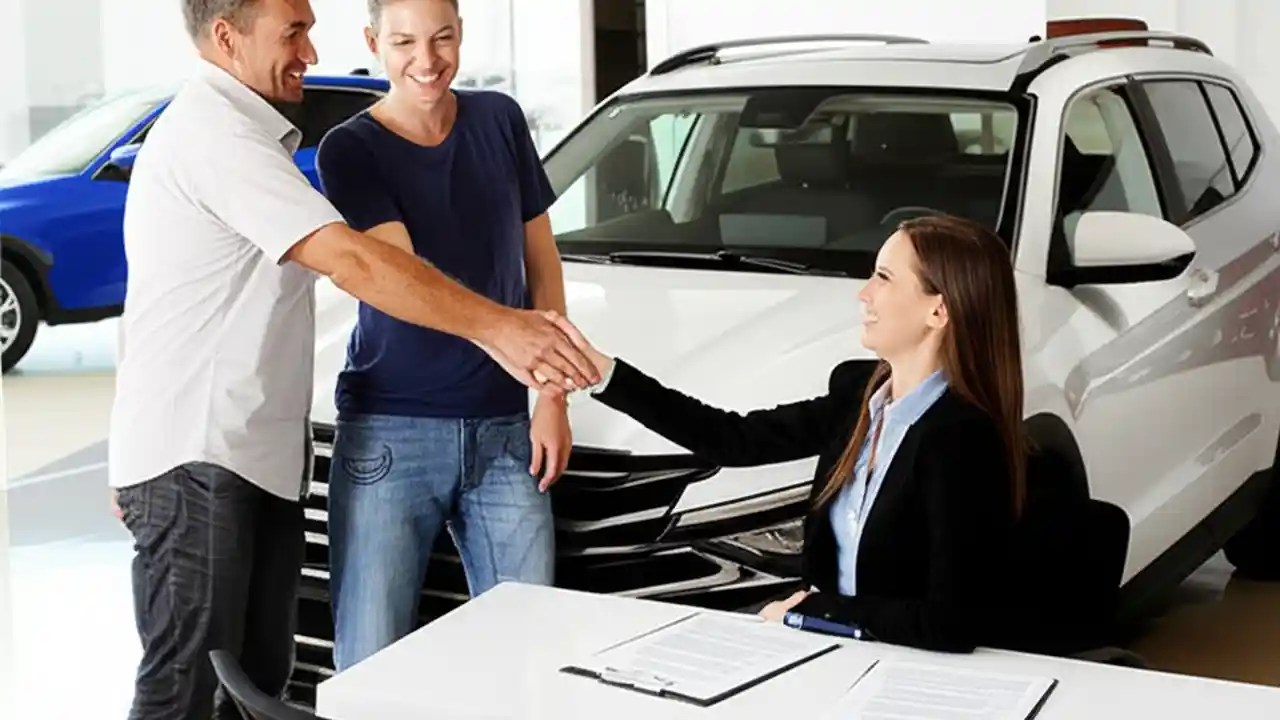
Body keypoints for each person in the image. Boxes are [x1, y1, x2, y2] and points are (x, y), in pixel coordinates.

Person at [107, 1, 598, 718]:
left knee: (257, 683)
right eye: (294, 32)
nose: (311, 48)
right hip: (200, 453)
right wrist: (504, 329)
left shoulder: (248, 132)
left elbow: (159, 305)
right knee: (189, 691)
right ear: (225, 36)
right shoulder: (216, 136)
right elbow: (355, 262)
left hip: (246, 455)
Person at [552, 214, 1029, 653]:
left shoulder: (962, 439)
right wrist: (603, 374)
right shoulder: (858, 395)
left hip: (901, 669)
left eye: (883, 278)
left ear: (938, 312)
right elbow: (731, 438)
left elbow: (951, 624)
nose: (864, 294)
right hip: (826, 649)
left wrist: (812, 611)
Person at [311, 0, 572, 671]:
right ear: (373, 41)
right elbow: (398, 276)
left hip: (505, 431)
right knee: (371, 661)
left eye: (442, 38)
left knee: (530, 653)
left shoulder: (499, 119)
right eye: (402, 42)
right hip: (391, 435)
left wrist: (552, 395)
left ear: (461, 35)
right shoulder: (352, 149)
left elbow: (542, 262)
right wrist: (506, 336)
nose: (426, 61)